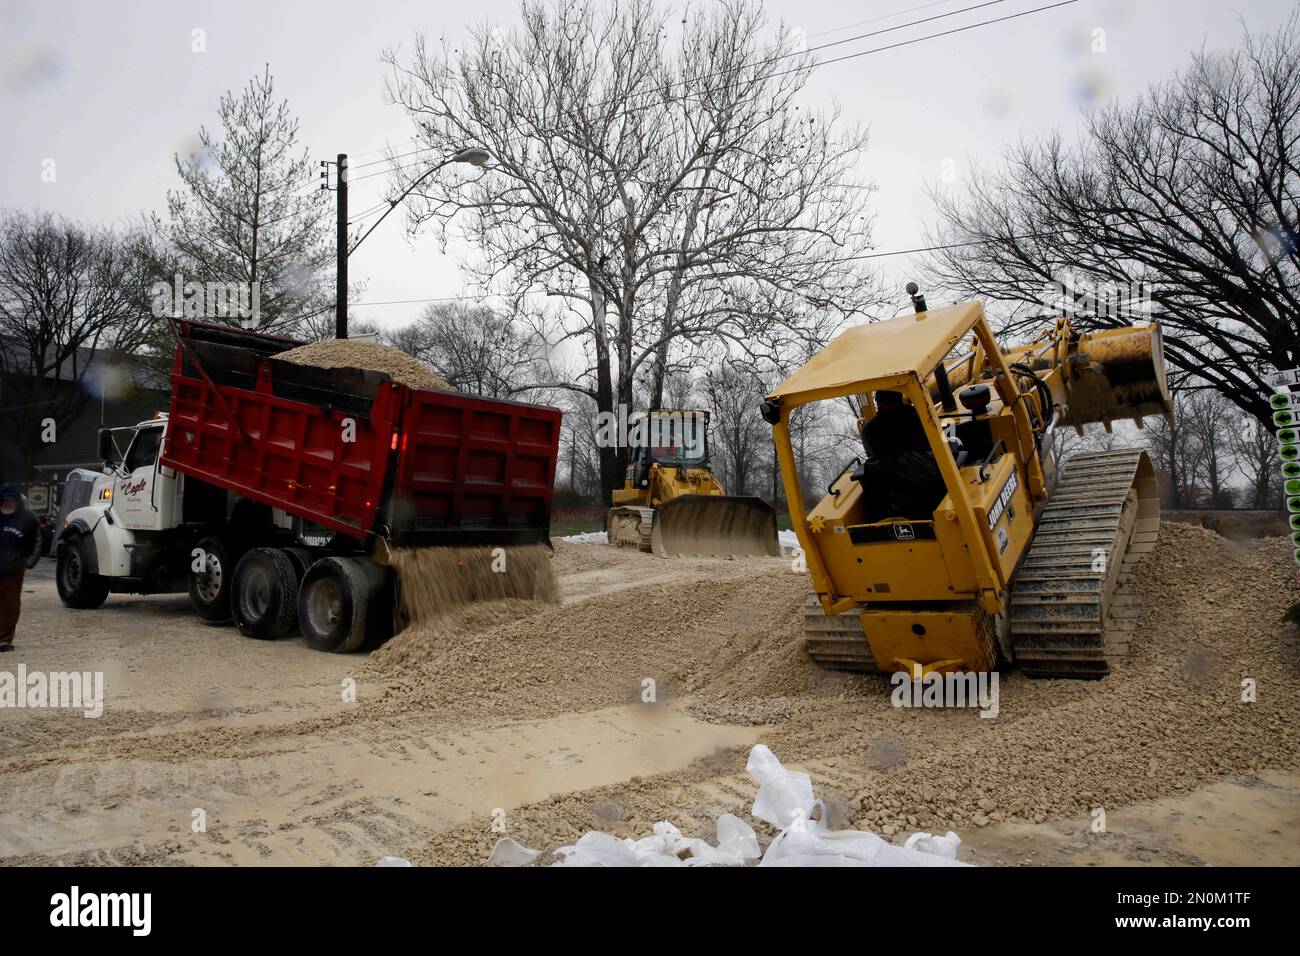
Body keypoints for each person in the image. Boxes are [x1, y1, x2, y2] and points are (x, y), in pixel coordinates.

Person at [0, 483, 39, 651]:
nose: (8, 504)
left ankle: (4, 639)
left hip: (14, 569)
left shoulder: (28, 518)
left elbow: (37, 541)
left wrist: (28, 562)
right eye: (5, 501)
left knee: (10, 604)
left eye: (11, 501)